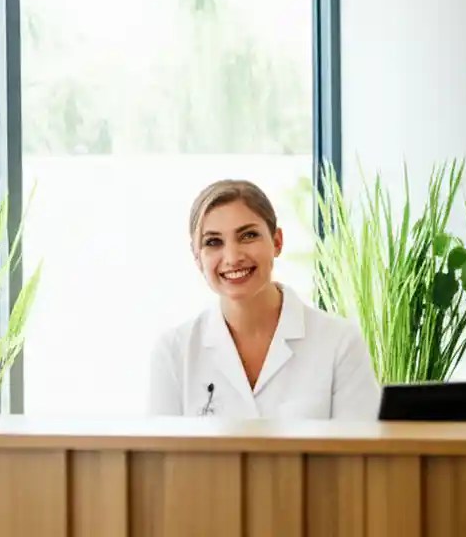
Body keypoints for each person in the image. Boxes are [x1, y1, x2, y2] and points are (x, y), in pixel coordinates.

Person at [148, 179, 380, 419]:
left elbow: (362, 453)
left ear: (277, 242)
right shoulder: (174, 352)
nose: (232, 257)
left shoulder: (340, 343)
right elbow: (161, 456)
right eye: (213, 242)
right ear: (197, 257)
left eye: (248, 236)